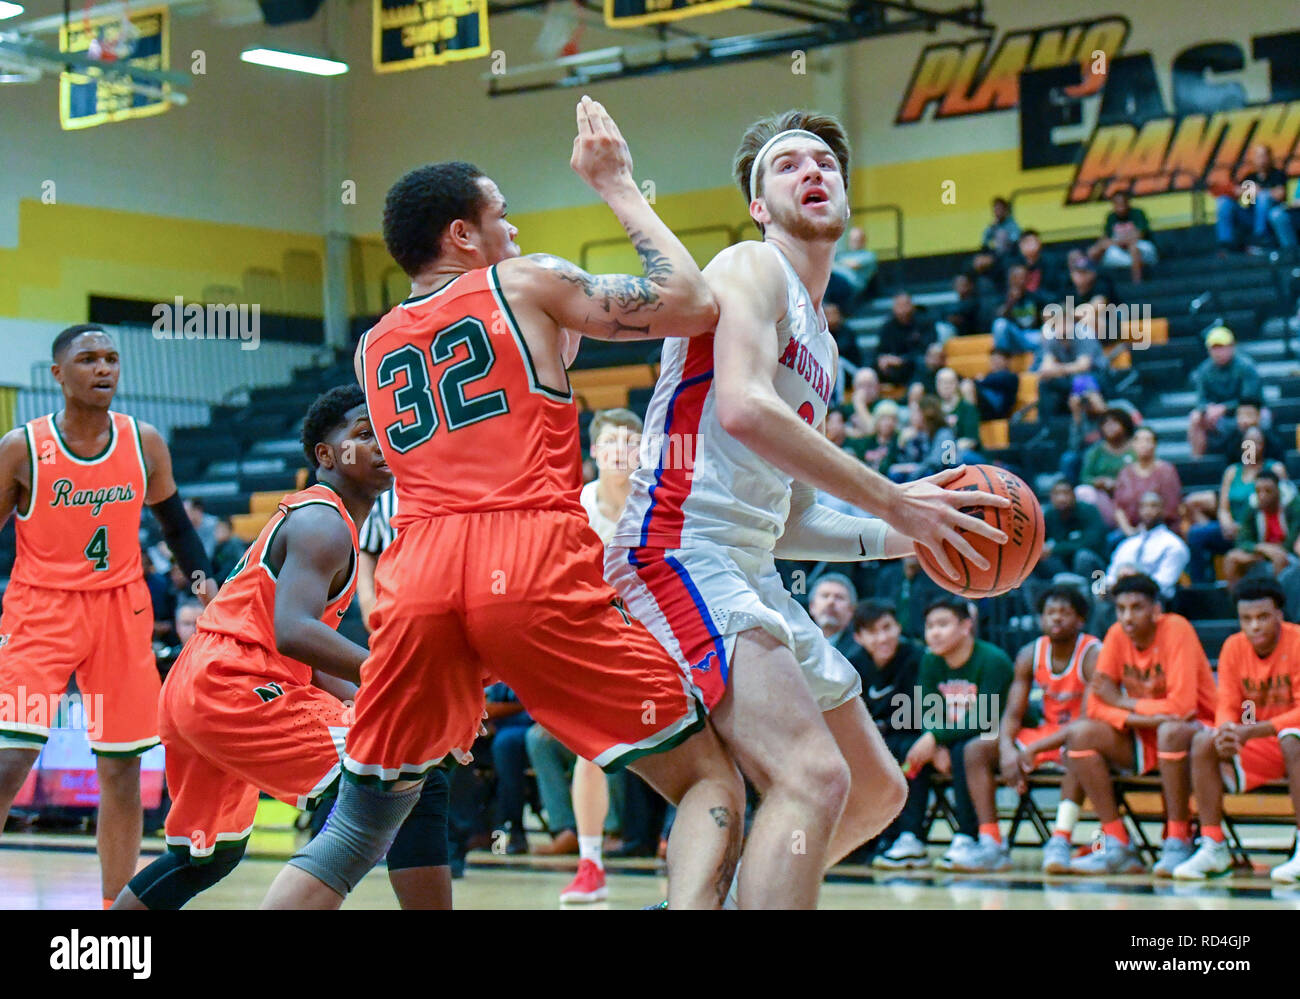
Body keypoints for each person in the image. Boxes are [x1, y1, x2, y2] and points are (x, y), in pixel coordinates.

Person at [263, 98, 749, 912]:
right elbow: (694, 303)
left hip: (417, 575)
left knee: (355, 826)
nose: (516, 233)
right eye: (503, 217)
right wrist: (618, 185)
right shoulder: (526, 281)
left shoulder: (373, 341)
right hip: (523, 552)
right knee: (707, 775)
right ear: (462, 233)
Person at [607, 109, 1010, 908]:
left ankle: (708, 900)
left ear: (848, 194)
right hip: (676, 548)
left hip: (751, 564)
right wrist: (897, 498)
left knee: (873, 791)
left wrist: (912, 537)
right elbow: (744, 409)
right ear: (758, 205)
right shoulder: (751, 266)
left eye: (824, 161)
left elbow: (792, 519)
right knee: (812, 775)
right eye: (786, 166)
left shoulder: (823, 345)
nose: (811, 171)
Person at [113, 387, 454, 909]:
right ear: (324, 454)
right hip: (236, 684)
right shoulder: (323, 524)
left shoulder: (316, 518)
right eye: (362, 434)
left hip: (202, 683)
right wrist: (396, 677)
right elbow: (293, 630)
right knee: (406, 772)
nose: (381, 443)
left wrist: (371, 699)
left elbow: (304, 656)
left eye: (386, 430)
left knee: (206, 858)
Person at [0, 324, 216, 911]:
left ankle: (111, 914)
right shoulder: (21, 447)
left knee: (122, 768)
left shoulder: (144, 442)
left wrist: (204, 584)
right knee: (11, 756)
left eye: (112, 358)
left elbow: (176, 527)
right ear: (57, 375)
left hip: (122, 610)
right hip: (39, 610)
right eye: (88, 358)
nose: (104, 368)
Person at [1062, 573, 1215, 875]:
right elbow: (1094, 705)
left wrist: (1123, 703)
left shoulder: (1177, 629)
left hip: (1197, 733)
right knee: (1081, 735)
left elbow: (1183, 709)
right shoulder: (1117, 634)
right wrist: (1140, 717)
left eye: (1137, 608)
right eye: (1121, 609)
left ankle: (1177, 838)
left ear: (1156, 609)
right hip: (1147, 732)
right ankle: (1118, 842)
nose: (1127, 617)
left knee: (1170, 731)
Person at [957, 585, 1100, 872]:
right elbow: (1012, 713)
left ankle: (1060, 839)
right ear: (1040, 618)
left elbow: (1087, 720)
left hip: (1083, 734)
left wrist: (1031, 750)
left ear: (1080, 620)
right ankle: (991, 842)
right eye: (1050, 613)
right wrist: (1008, 749)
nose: (1056, 619)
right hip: (1048, 733)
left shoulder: (1093, 652)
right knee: (976, 750)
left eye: (1064, 613)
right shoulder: (1029, 653)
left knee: (1078, 749)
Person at [561, 406, 643, 903]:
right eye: (612, 442)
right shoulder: (576, 509)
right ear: (595, 451)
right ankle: (590, 862)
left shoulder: (659, 504)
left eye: (632, 443)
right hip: (596, 639)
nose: (621, 452)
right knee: (588, 749)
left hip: (659, 636)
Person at [1173, 577, 1300, 881]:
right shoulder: (1233, 647)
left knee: (1291, 737)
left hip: (1292, 743)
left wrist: (1251, 731)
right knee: (1205, 741)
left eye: (1262, 617)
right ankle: (1214, 845)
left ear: (1280, 615)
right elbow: (1228, 704)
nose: (1254, 626)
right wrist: (1227, 730)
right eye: (1246, 619)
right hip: (1262, 745)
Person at [902, 596, 1014, 871]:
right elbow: (927, 710)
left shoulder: (993, 660)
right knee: (910, 753)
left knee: (965, 749)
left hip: (999, 739)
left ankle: (968, 836)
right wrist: (934, 742)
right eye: (929, 626)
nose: (934, 633)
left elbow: (984, 719)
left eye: (943, 624)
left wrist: (936, 737)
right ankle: (910, 837)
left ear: (966, 627)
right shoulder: (930, 661)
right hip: (951, 739)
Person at [847, 600, 929, 869]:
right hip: (871, 740)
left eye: (887, 628)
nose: (882, 637)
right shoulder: (852, 664)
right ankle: (864, 835)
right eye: (872, 632)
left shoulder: (917, 658)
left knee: (907, 753)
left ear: (898, 627)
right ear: (859, 637)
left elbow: (916, 714)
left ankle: (909, 836)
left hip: (909, 738)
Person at [1186, 426, 1288, 583]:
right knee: (1196, 534)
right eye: (1247, 441)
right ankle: (1201, 586)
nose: (1251, 446)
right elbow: (1223, 507)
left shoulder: (1274, 468)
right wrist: (1227, 523)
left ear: (1264, 445)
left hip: (1259, 529)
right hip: (1233, 530)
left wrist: (1246, 528)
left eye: (1256, 442)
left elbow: (1286, 503)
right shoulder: (1232, 471)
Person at [1188, 326, 1262, 459]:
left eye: (1222, 347)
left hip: (1247, 412)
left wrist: (1224, 408)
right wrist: (1208, 409)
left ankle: (1249, 461)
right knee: (1195, 417)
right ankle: (1197, 462)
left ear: (1232, 346)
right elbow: (1200, 400)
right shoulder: (1204, 370)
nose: (1218, 352)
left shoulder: (1246, 367)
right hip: (1218, 418)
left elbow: (1250, 399)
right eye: (1214, 348)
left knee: (1246, 418)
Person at [1215, 144, 1298, 256]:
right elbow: (1240, 195)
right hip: (1250, 216)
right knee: (1224, 202)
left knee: (1263, 197)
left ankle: (1260, 238)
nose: (1261, 160)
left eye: (1263, 156)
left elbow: (1280, 194)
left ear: (1269, 157)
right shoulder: (1250, 176)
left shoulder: (1277, 174)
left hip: (1269, 218)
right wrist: (1250, 190)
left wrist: (1261, 192)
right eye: (1258, 156)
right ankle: (1226, 243)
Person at [1106, 491, 1190, 601]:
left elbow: (1163, 586)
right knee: (1097, 589)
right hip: (1118, 598)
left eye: (1153, 506)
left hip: (1153, 602)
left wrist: (1133, 579)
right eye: (1143, 506)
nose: (1147, 511)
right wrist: (1104, 588)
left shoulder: (1173, 545)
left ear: (1162, 510)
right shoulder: (1126, 545)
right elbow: (1110, 577)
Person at [1223, 469, 1300, 585]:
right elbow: (1241, 540)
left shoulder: (1293, 505)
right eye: (1258, 491)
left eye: (1268, 491)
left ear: (1278, 491)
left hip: (1288, 554)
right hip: (1263, 552)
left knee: (1278, 558)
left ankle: (1277, 600)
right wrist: (1262, 548)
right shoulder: (1252, 506)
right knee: (1231, 558)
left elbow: (1292, 541)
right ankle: (1236, 601)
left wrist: (1274, 551)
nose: (1262, 496)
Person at [1111, 426, 1182, 540]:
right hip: (1131, 530)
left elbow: (1171, 508)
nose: (1143, 444)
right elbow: (1118, 508)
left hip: (1160, 529)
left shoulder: (1166, 471)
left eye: (1148, 440)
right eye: (1138, 440)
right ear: (1133, 445)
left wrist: (1145, 528)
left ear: (1155, 444)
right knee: (1113, 540)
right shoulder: (1125, 473)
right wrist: (1128, 530)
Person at [1077, 407, 1134, 527]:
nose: (1110, 427)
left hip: (1129, 494)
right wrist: (1098, 482)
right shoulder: (1095, 451)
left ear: (1125, 424)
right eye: (1106, 424)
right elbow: (1084, 477)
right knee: (1082, 491)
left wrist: (1118, 484)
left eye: (1114, 423)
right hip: (1103, 496)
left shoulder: (1135, 448)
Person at [1089, 190, 1157, 283]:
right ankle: (1092, 282)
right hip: (1120, 251)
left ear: (1127, 202)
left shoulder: (1137, 213)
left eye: (1122, 202)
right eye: (1116, 203)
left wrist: (1118, 241)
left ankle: (1138, 284)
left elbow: (1139, 235)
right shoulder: (1111, 217)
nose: (1120, 206)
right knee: (1093, 251)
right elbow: (1106, 238)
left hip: (1142, 250)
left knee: (1133, 248)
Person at [875, 291, 935, 387]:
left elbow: (927, 349)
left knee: (923, 362)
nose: (902, 309)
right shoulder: (887, 326)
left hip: (916, 365)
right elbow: (880, 350)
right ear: (893, 308)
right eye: (899, 305)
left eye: (905, 304)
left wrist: (902, 360)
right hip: (894, 367)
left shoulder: (925, 322)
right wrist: (883, 359)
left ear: (912, 306)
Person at [991, 264, 1046, 357]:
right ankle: (1001, 359)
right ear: (1010, 279)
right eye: (1017, 277)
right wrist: (1011, 302)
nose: (1020, 280)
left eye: (1023, 277)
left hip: (1031, 336)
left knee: (1048, 335)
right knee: (1000, 324)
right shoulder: (1002, 297)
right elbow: (998, 318)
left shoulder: (1035, 297)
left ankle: (1037, 367)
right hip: (1014, 337)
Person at [980, 196, 1021, 260]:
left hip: (1010, 255)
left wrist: (1005, 238)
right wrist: (992, 227)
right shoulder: (994, 225)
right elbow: (984, 241)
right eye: (995, 210)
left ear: (1005, 210)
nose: (997, 212)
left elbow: (1015, 240)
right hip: (996, 255)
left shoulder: (1012, 224)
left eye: (999, 209)